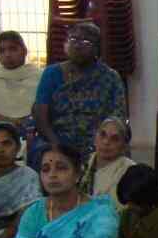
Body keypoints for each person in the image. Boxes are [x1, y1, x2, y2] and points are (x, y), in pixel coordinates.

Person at [31, 21, 126, 166]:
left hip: (98, 140)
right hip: (57, 137)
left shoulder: (110, 77)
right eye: (73, 40)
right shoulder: (52, 73)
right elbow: (40, 114)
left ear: (97, 48)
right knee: (41, 153)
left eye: (85, 41)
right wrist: (55, 143)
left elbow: (117, 117)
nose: (77, 45)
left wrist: (102, 141)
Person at [79, 117, 137, 202]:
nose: (106, 142)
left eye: (115, 139)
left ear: (124, 147)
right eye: (102, 134)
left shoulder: (130, 171)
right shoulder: (84, 161)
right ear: (95, 137)